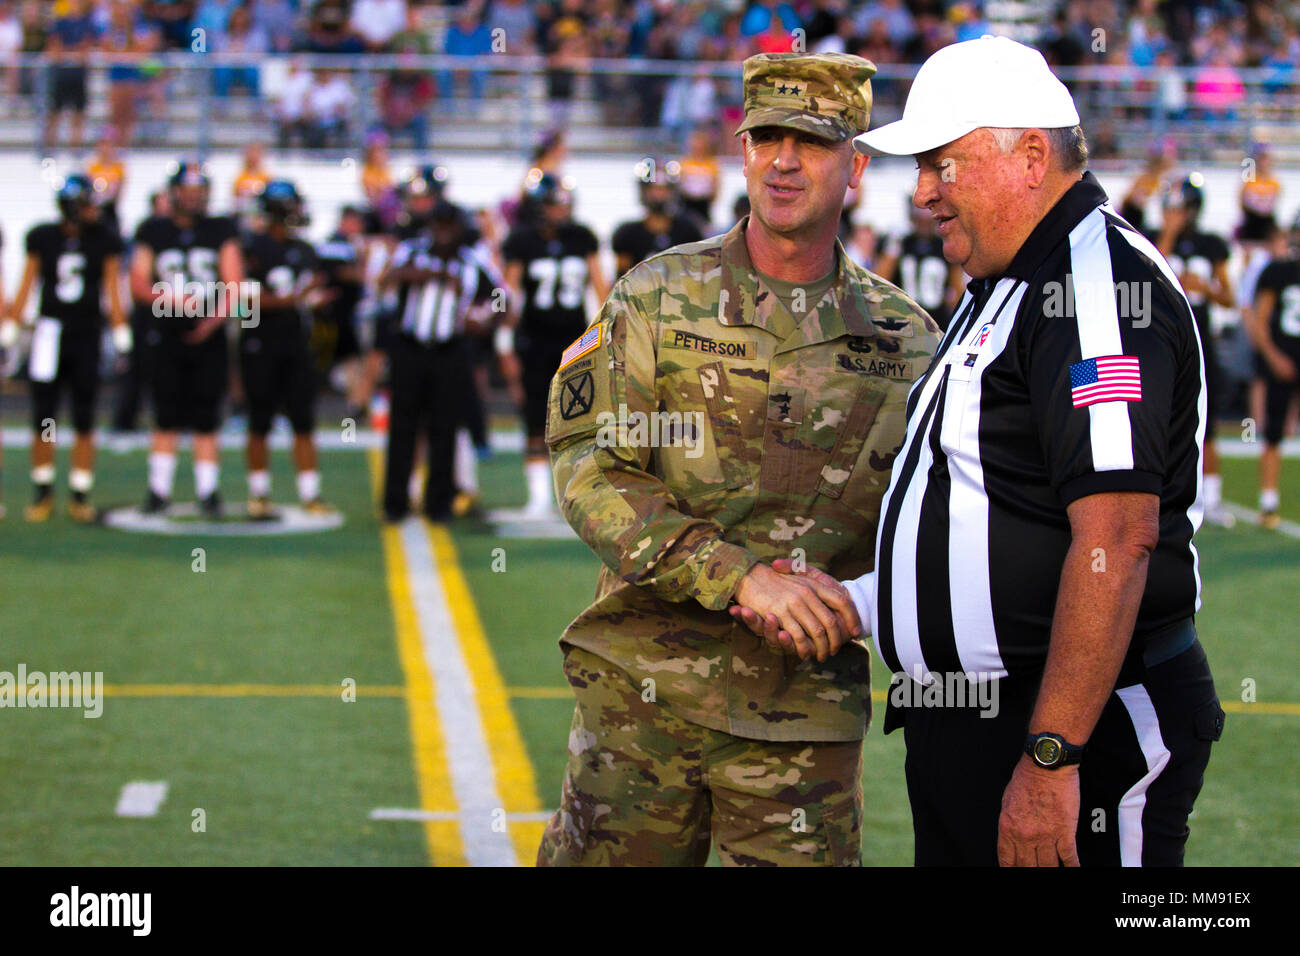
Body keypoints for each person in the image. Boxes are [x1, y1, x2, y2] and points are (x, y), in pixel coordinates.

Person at [741, 35, 1225, 867]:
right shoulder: (1014, 280)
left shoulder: (1093, 287)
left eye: (943, 165)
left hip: (1069, 726)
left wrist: (1051, 757)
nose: (923, 193)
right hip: (984, 722)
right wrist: (866, 600)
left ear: (1031, 156)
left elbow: (1115, 537)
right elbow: (997, 511)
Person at [536, 52, 939, 867]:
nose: (784, 160)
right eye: (766, 137)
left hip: (802, 716)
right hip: (641, 697)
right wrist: (738, 576)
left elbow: (929, 524)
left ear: (856, 165)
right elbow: (592, 472)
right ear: (743, 147)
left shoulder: (907, 342)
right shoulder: (655, 296)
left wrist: (858, 604)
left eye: (813, 142)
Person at [2, 174, 130, 522]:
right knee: (46, 417)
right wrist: (12, 323)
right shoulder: (43, 237)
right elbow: (27, 281)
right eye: (86, 203)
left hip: (86, 332)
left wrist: (120, 329)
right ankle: (43, 490)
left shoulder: (104, 239)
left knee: (85, 415)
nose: (93, 210)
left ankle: (79, 492)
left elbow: (111, 288)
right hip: (49, 333)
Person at [131, 160, 243, 518]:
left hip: (207, 336)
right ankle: (158, 489)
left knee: (206, 414)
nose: (193, 199)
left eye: (199, 192)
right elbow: (137, 283)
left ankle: (208, 490)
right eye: (188, 191)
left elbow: (234, 282)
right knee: (165, 414)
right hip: (165, 334)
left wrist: (212, 322)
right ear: (174, 193)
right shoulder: (152, 229)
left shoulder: (220, 228)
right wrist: (173, 300)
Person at [378, 198, 499, 522]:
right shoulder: (412, 251)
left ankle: (438, 503)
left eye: (449, 225)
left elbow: (500, 300)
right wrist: (414, 274)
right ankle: (395, 502)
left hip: (450, 349)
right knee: (402, 426)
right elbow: (384, 279)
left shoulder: (472, 261)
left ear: (458, 228)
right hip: (410, 347)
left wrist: (483, 320)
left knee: (444, 427)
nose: (443, 232)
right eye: (438, 224)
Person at [501, 171, 606, 518]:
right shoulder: (522, 241)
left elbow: (599, 287)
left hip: (573, 341)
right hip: (534, 340)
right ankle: (538, 498)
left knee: (577, 418)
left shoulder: (582, 237)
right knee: (534, 417)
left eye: (563, 205)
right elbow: (509, 293)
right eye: (553, 205)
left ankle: (577, 497)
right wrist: (504, 341)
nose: (560, 211)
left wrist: (606, 333)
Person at [238, 180, 334, 518]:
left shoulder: (305, 250)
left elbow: (311, 296)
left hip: (296, 344)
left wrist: (316, 301)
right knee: (259, 421)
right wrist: (291, 300)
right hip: (259, 343)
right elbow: (242, 301)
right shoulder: (252, 248)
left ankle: (310, 493)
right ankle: (258, 493)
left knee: (303, 422)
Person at [1156, 174, 1236, 527]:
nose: (1174, 213)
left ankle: (1213, 498)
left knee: (1208, 423)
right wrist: (1169, 235)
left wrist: (1205, 286)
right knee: (1157, 420)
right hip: (1159, 344)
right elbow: (1143, 276)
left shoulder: (1211, 244)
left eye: (1180, 208)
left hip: (1201, 343)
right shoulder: (1149, 237)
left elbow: (1230, 298)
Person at [1248, 212, 1300, 530]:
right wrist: (1272, 356)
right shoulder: (1278, 271)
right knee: (1274, 434)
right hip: (1284, 357)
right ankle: (1268, 502)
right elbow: (1261, 318)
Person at [875, 196, 965, 331]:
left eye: (927, 219)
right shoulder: (901, 243)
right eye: (920, 219)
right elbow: (879, 281)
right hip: (904, 320)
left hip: (937, 320)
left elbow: (957, 289)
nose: (924, 222)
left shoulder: (943, 245)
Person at [610, 160, 704, 280]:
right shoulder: (627, 234)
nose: (659, 195)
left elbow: (698, 276)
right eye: (653, 189)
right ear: (643, 191)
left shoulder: (689, 231)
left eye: (664, 189)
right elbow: (620, 281)